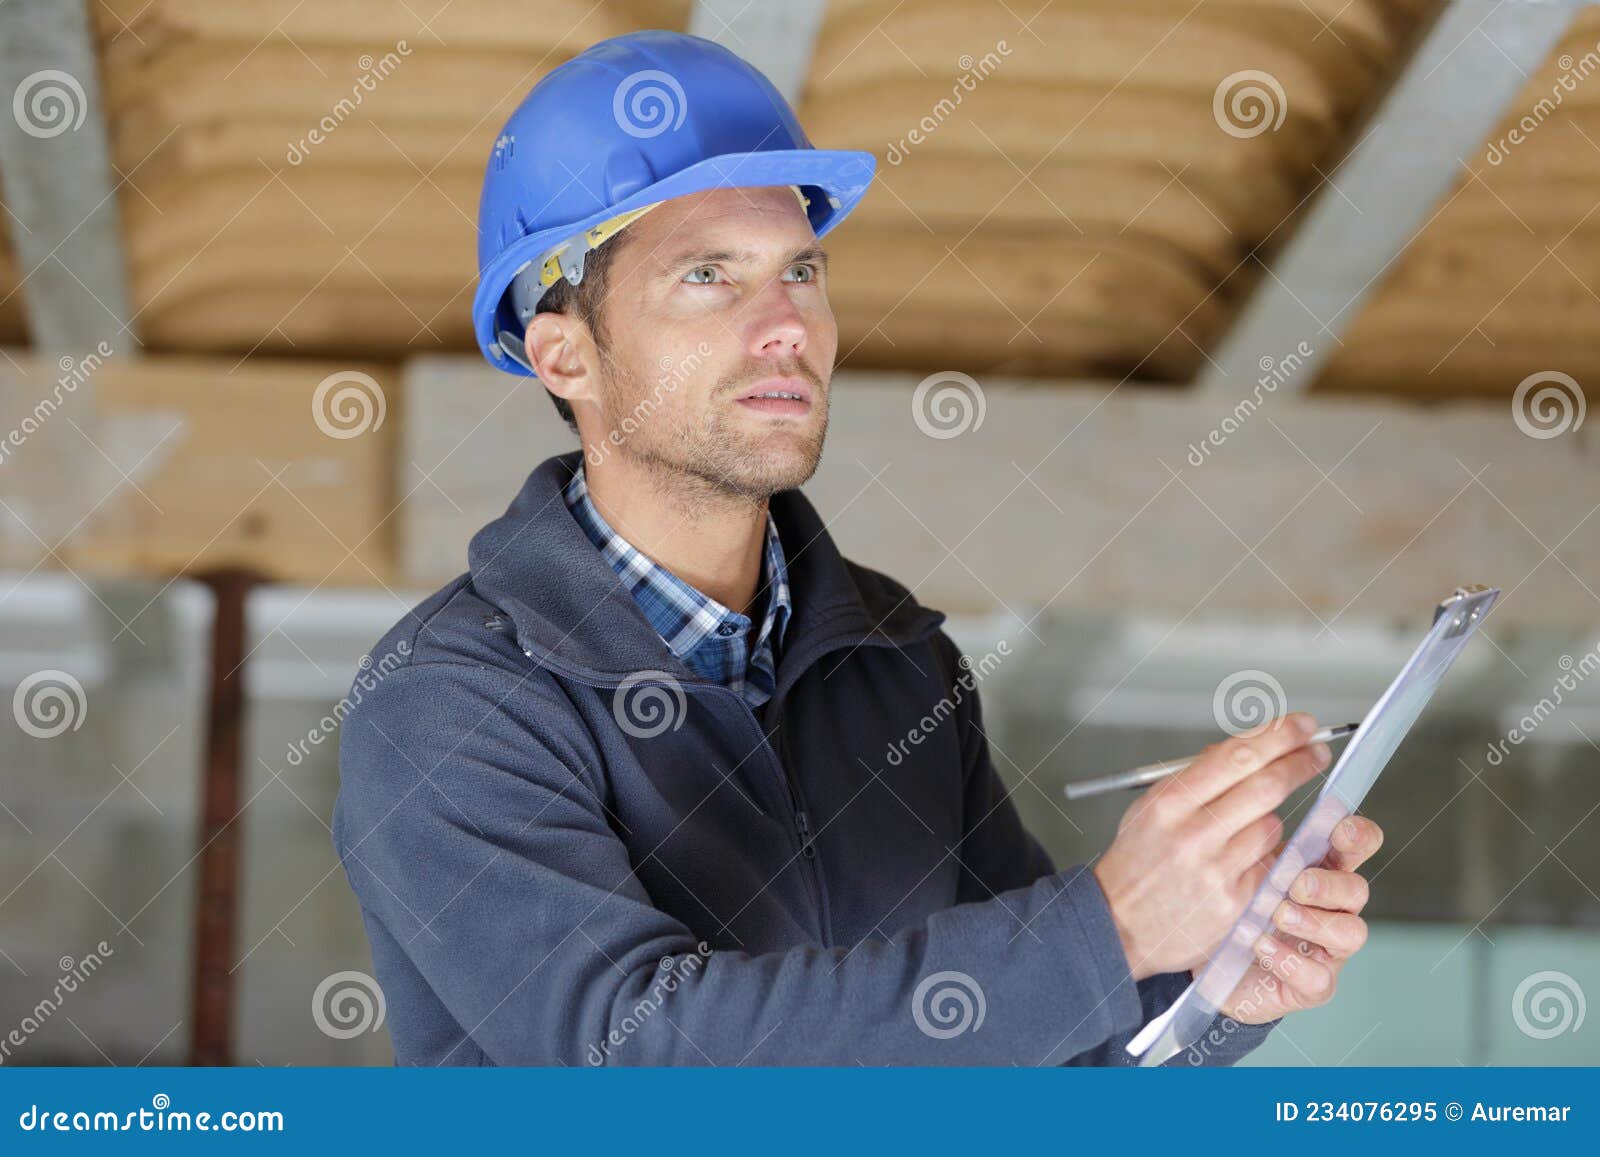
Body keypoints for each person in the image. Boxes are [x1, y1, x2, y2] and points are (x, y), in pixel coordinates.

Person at [331, 29, 1382, 1066]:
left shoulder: (895, 660)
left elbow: (1051, 1055)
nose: (785, 322)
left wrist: (1209, 986)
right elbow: (640, 1058)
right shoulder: (450, 700)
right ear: (565, 355)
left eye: (802, 270)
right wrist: (1108, 928)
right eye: (708, 275)